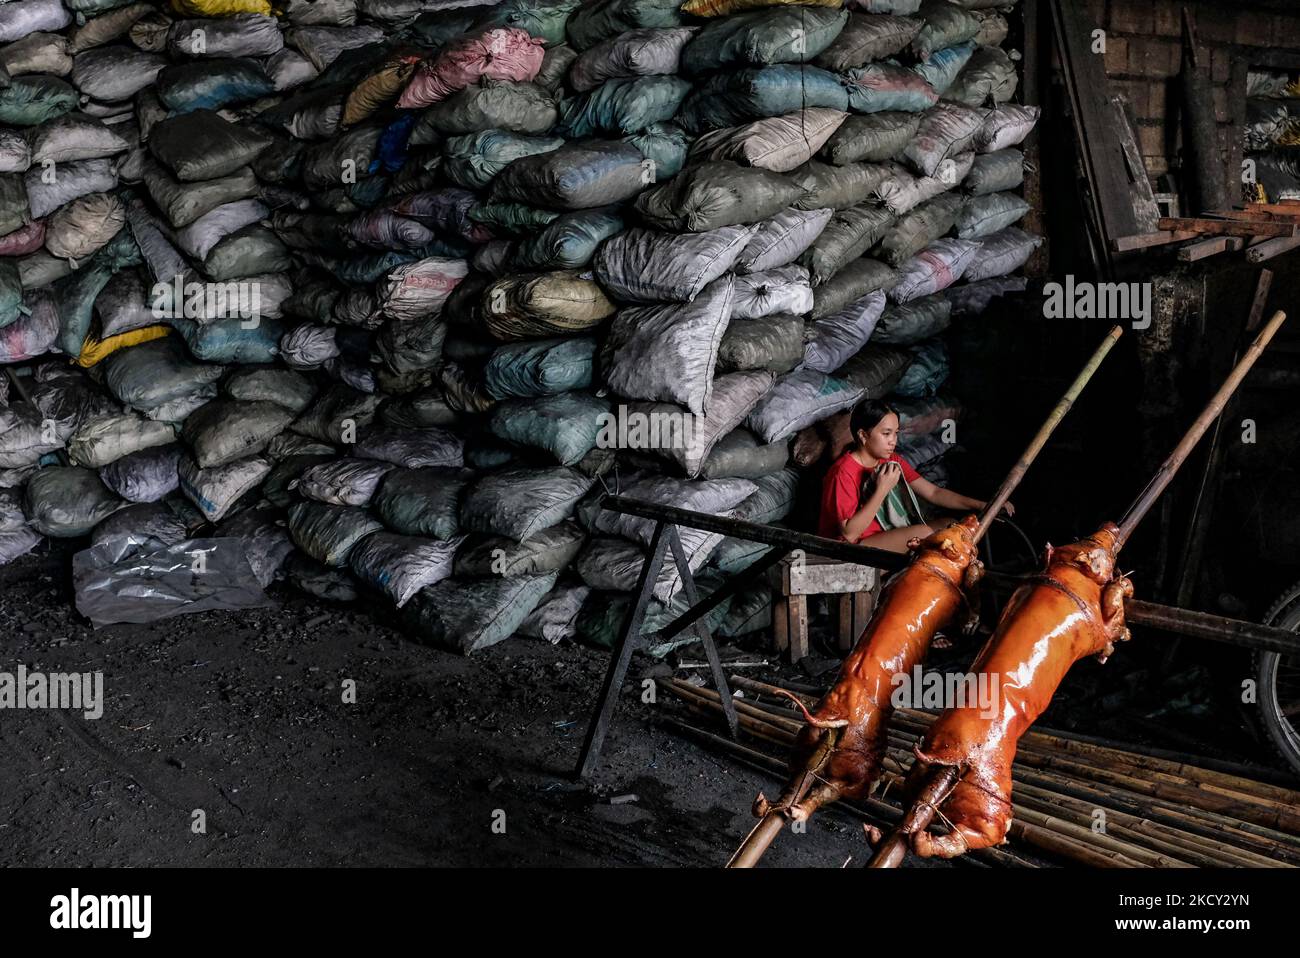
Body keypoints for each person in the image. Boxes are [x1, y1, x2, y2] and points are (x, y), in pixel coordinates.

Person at [818, 399, 1014, 554]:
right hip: (847, 548)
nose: (893, 441)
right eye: (886, 434)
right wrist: (883, 488)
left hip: (882, 535)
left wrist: (984, 505)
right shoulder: (843, 471)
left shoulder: (890, 460)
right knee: (924, 534)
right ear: (863, 435)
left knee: (951, 527)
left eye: (895, 433)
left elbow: (934, 492)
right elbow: (850, 533)